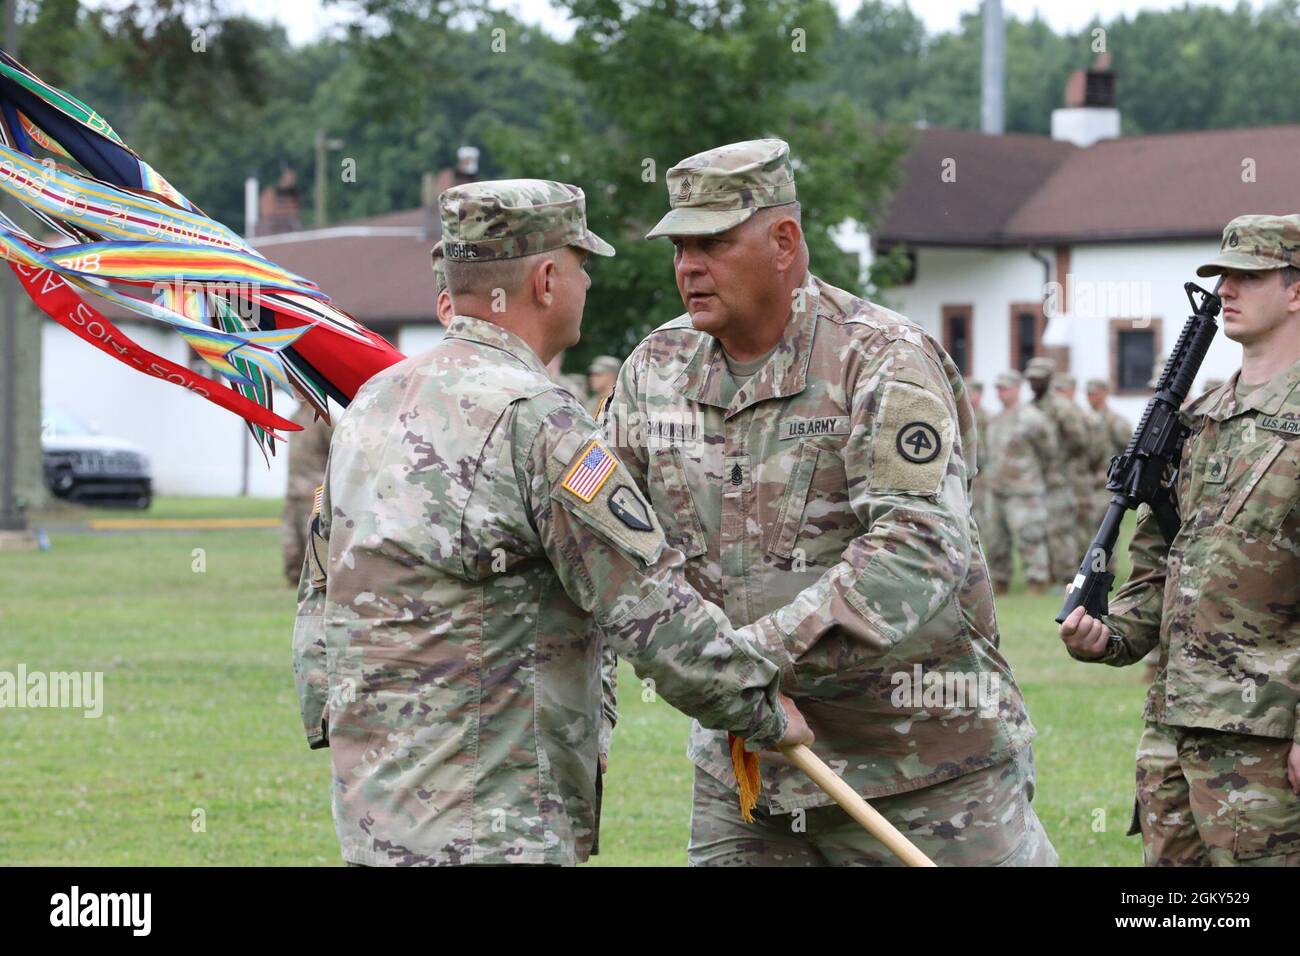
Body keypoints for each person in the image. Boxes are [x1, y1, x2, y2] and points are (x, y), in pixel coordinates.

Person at [292, 178, 811, 867]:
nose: (587, 284)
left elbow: (318, 606)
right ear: (545, 279)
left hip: (378, 816)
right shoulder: (539, 421)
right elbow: (647, 607)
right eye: (581, 264)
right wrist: (761, 706)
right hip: (495, 820)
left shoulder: (373, 404)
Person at [605, 138, 1054, 866]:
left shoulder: (878, 359)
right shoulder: (654, 370)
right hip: (749, 776)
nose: (689, 267)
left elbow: (917, 546)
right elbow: (611, 544)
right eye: (680, 246)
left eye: (713, 243)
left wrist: (743, 664)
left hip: (921, 772)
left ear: (784, 242)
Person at [1059, 213, 1300, 866]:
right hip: (1173, 727)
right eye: (1223, 274)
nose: (1227, 288)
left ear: (1295, 290)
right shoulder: (1196, 420)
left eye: (1248, 275)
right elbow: (1159, 561)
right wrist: (1110, 635)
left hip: (1266, 737)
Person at [984, 371, 1054, 595]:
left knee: (1030, 538)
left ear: (1017, 389)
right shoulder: (994, 419)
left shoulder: (1031, 417)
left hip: (1024, 491)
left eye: (1004, 388)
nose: (1000, 392)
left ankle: (1036, 583)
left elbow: (1049, 451)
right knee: (996, 541)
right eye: (998, 388)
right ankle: (1000, 584)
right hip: (996, 490)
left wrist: (1033, 477)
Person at [1024, 357, 1090, 582]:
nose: (1034, 383)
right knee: (1041, 529)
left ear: (1049, 379)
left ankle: (1065, 577)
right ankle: (1050, 574)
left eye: (1039, 379)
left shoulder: (1062, 406)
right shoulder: (1031, 407)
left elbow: (1079, 440)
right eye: (1031, 379)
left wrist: (1059, 460)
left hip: (1058, 478)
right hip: (1036, 478)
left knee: (1060, 529)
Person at [280, 402, 333, 585]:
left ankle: (316, 579)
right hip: (294, 488)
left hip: (314, 490)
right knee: (291, 540)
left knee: (312, 537)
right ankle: (294, 577)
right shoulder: (295, 416)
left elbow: (336, 450)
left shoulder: (323, 419)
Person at [1083, 377, 1132, 525]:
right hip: (1085, 484)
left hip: (1106, 485)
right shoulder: (1083, 419)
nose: (1090, 397)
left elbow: (1129, 451)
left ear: (1104, 393)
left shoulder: (1116, 422)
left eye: (1094, 393)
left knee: (1105, 531)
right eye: (1088, 394)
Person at [967, 379, 991, 533]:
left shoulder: (986, 417)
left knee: (979, 514)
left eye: (971, 393)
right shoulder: (963, 414)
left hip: (982, 475)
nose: (968, 396)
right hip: (967, 472)